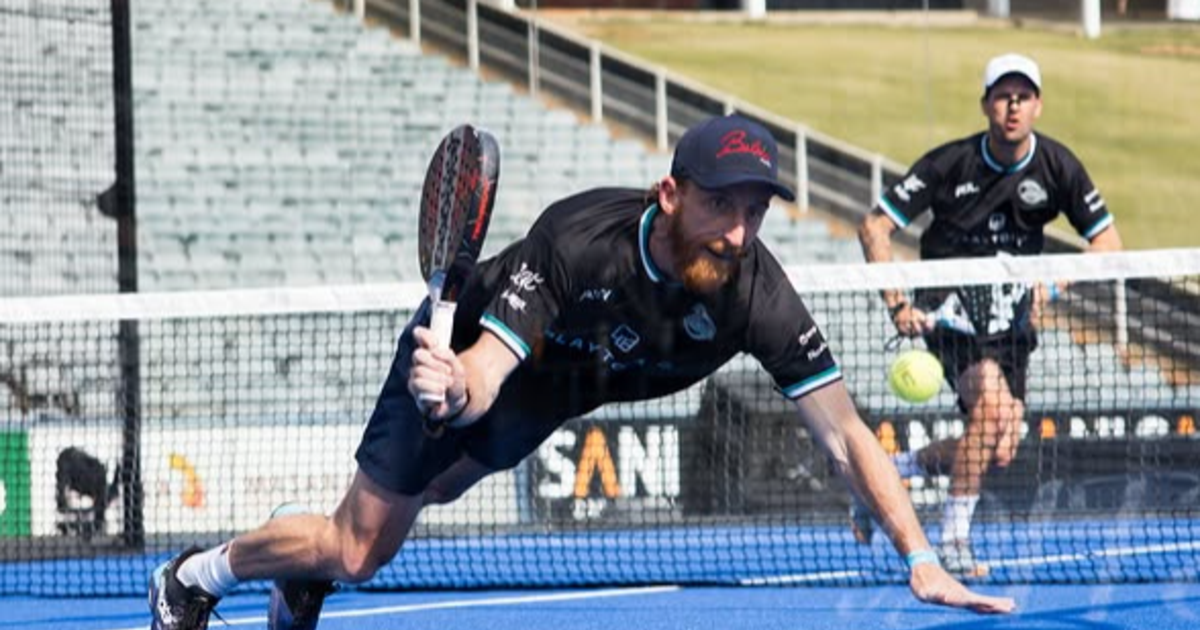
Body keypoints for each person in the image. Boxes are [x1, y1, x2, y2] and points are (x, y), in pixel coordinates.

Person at [149, 114, 1016, 630]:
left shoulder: (759, 292)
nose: (739, 232)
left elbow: (844, 434)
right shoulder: (579, 237)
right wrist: (453, 387)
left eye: (755, 210)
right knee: (361, 547)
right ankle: (195, 576)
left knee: (434, 497)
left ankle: (301, 562)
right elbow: (490, 365)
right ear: (670, 194)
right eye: (721, 205)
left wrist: (919, 554)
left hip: (557, 396)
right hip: (473, 352)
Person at [854, 54, 1123, 577]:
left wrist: (1051, 284)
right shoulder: (949, 163)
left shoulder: (1057, 166)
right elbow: (874, 227)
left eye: (1024, 95)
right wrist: (898, 304)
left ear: (1038, 105)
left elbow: (1108, 240)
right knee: (993, 412)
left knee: (997, 449)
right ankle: (951, 541)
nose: (1013, 105)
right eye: (1003, 95)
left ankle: (884, 475)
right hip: (951, 312)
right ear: (985, 105)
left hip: (1013, 323)